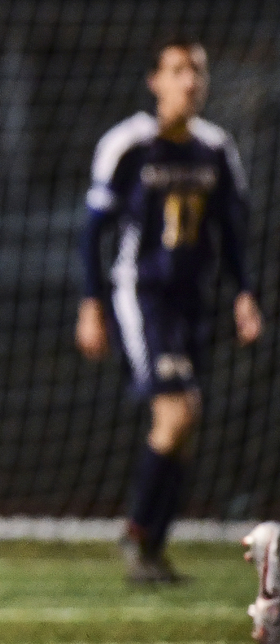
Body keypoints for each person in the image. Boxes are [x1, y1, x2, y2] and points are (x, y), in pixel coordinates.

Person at [77, 38, 263, 583]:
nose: (190, 82)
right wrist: (92, 304)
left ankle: (152, 549)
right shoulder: (129, 145)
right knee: (176, 413)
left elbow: (232, 230)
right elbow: (92, 234)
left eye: (198, 72)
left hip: (193, 300)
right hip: (143, 295)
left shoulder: (216, 149)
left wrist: (243, 292)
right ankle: (137, 533)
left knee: (189, 421)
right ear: (154, 80)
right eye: (178, 70)